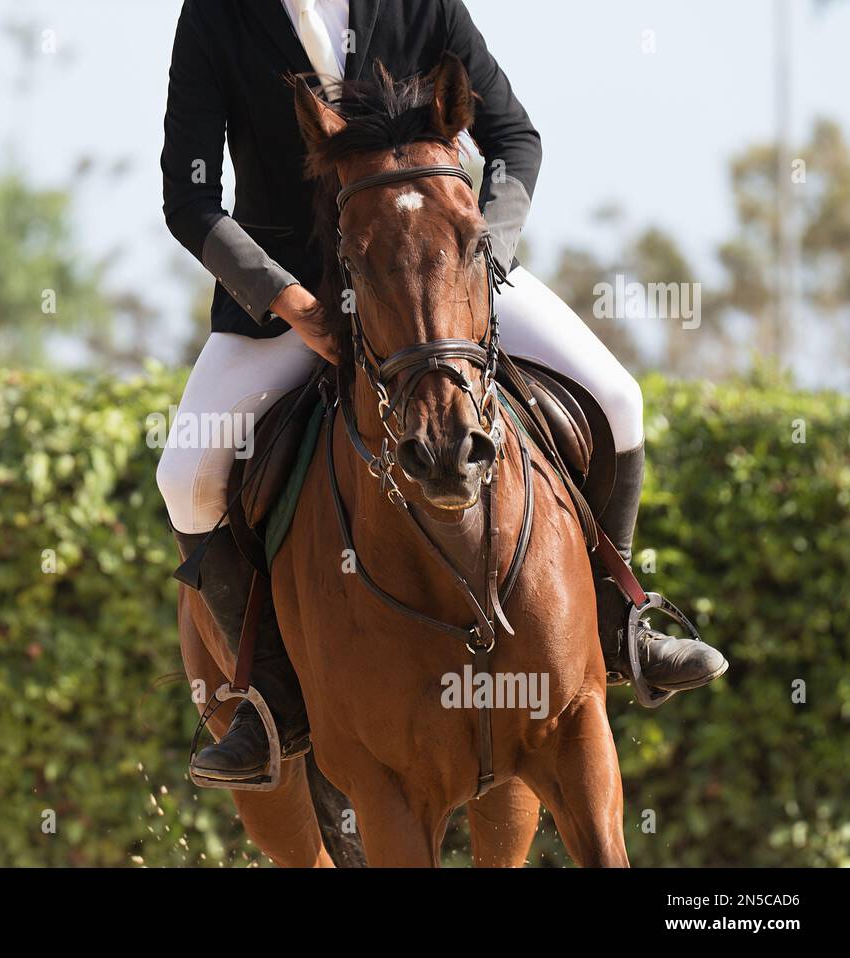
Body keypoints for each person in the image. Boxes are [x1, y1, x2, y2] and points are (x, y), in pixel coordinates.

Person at [157, 0, 727, 783]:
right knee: (183, 476)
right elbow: (189, 201)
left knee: (618, 396)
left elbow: (514, 139)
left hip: (443, 277)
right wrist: (293, 304)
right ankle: (269, 703)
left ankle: (624, 618)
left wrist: (482, 251)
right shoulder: (219, 15)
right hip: (296, 301)